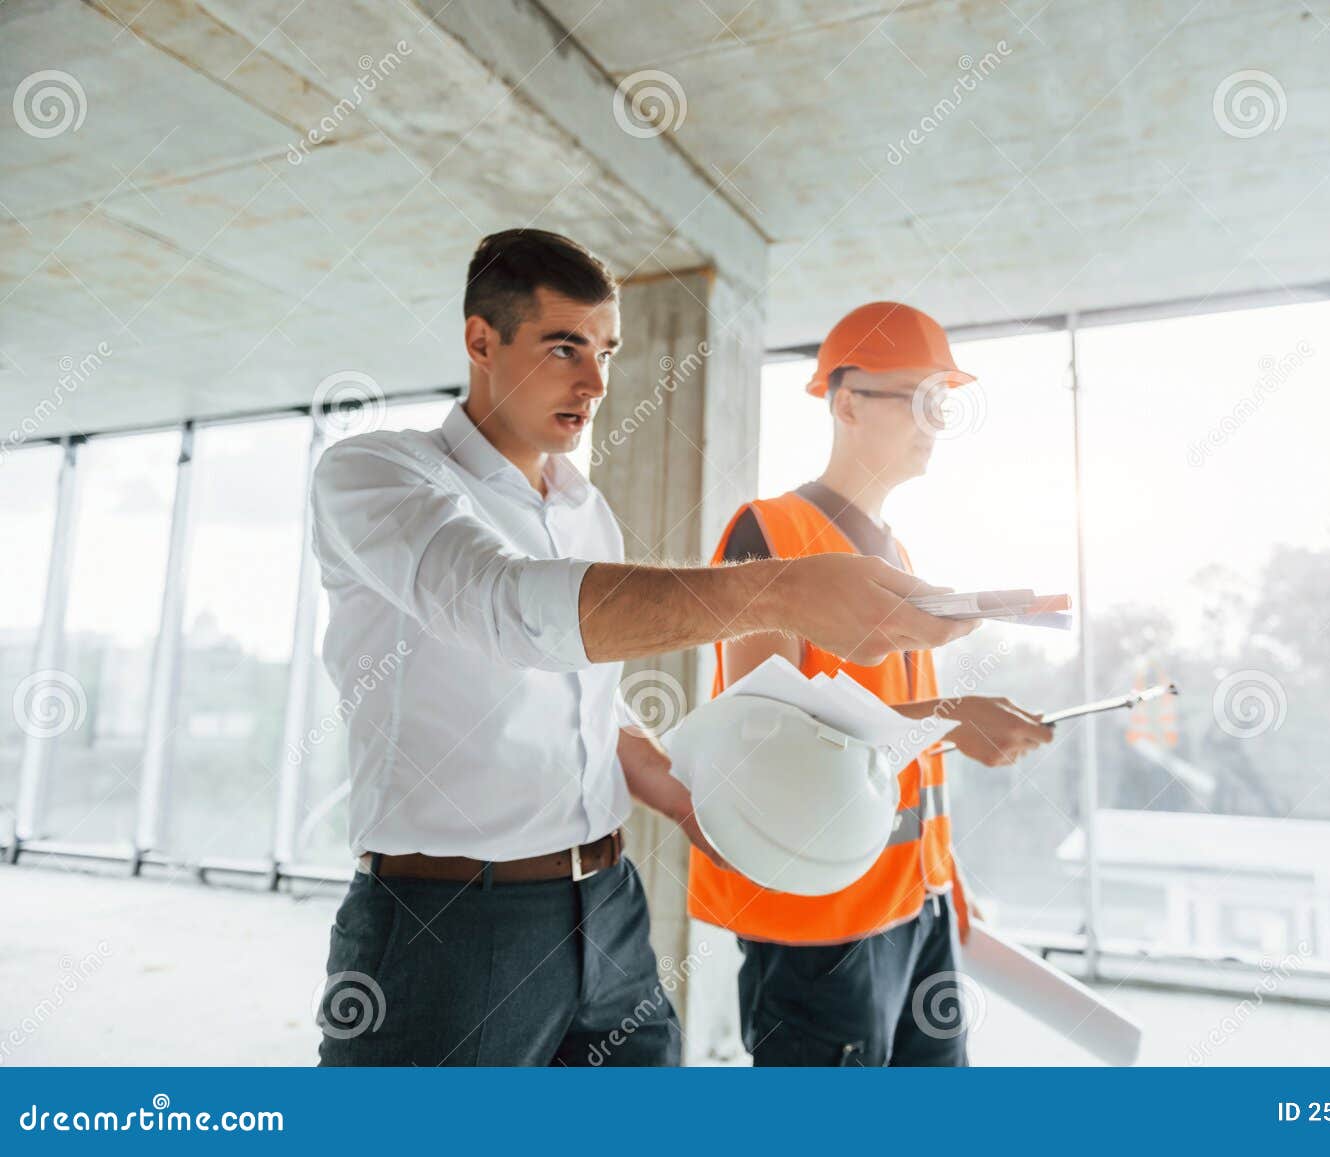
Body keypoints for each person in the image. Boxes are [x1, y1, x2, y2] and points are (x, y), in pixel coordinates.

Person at [310, 233, 975, 1066]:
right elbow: (509, 609)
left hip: (609, 908)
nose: (593, 381)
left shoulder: (586, 510)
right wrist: (781, 591)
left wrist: (682, 792)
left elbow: (583, 692)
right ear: (482, 340)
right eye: (564, 347)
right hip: (445, 923)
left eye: (606, 351)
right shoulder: (377, 474)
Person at [687, 301, 1055, 1066]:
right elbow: (765, 734)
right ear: (847, 401)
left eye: (944, 403)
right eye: (920, 400)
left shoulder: (901, 554)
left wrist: (943, 876)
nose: (938, 422)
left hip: (914, 909)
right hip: (822, 923)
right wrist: (951, 716)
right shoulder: (768, 533)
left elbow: (912, 763)